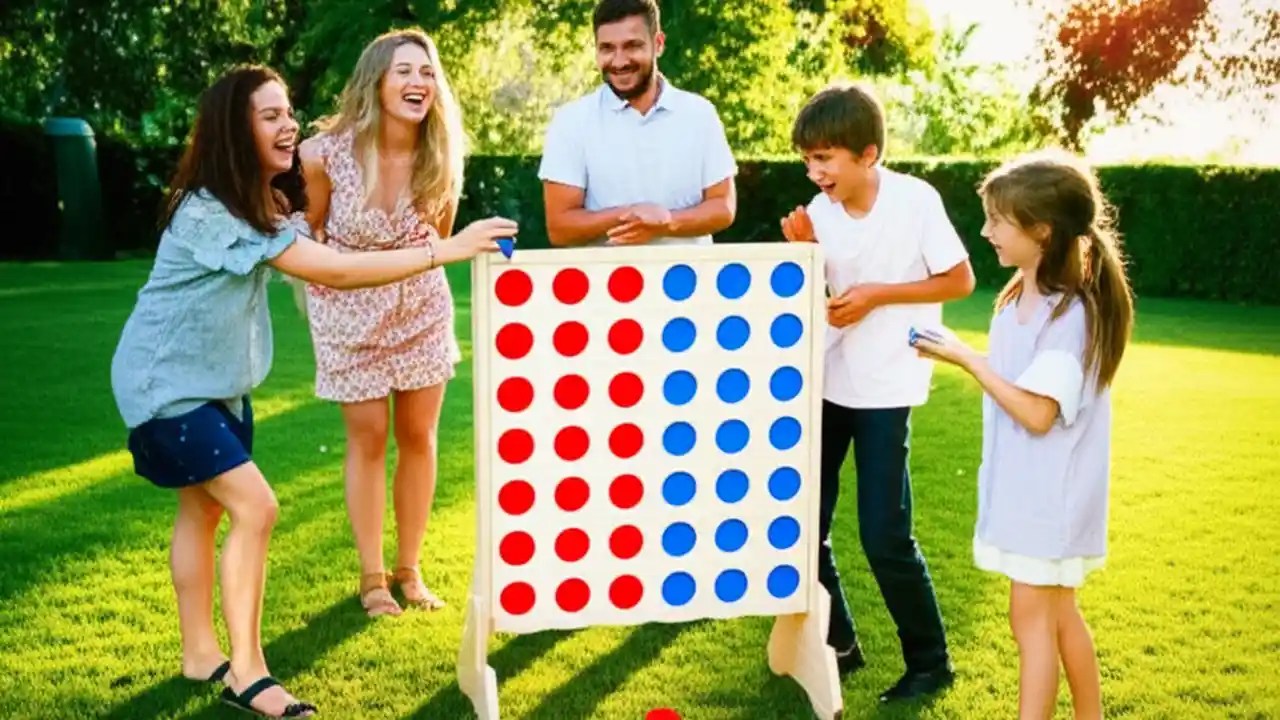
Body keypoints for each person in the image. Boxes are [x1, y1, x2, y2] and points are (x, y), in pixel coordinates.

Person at [110, 64, 512, 718]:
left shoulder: (253, 202)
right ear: (233, 132)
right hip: (166, 387)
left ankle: (199, 653)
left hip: (216, 388)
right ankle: (248, 672)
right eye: (269, 115)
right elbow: (339, 270)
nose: (289, 124)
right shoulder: (213, 212)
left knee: (202, 511)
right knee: (256, 508)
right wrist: (446, 250)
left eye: (287, 112)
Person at [911, 150, 1133, 720]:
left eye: (997, 221)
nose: (985, 232)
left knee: (1032, 623)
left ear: (1041, 231)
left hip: (1050, 501)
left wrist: (966, 359)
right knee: (1057, 619)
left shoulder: (1071, 316)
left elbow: (1037, 413)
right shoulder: (1018, 297)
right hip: (1030, 492)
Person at [779, 81, 976, 702]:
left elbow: (959, 279)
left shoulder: (916, 201)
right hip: (827, 381)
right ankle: (838, 644)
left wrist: (878, 296)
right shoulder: (817, 216)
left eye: (826, 158)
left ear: (868, 155)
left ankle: (930, 662)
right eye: (808, 160)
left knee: (884, 534)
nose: (815, 172)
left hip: (888, 383)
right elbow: (822, 303)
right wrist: (807, 258)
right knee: (801, 526)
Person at [298, 28, 487, 617]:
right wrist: (326, 296)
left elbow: (437, 237)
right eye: (404, 71)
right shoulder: (321, 154)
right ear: (376, 80)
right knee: (368, 438)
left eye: (426, 73)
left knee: (419, 438)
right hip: (347, 309)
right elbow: (309, 236)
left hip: (420, 309)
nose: (418, 82)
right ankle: (372, 576)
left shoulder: (441, 153)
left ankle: (410, 570)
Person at [539, 0, 737, 247]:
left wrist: (668, 222)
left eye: (632, 46)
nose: (619, 61)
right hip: (605, 283)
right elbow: (560, 228)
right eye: (607, 48)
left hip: (688, 281)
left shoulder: (699, 114)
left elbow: (724, 207)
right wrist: (631, 214)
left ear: (659, 44)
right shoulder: (571, 121)